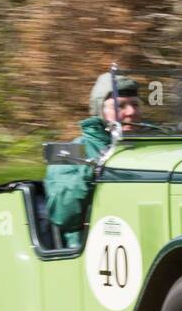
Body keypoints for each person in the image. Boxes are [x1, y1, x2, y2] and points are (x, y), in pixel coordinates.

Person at [44, 72, 139, 248]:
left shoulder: (144, 149)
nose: (131, 112)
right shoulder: (67, 151)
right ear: (100, 110)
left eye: (135, 104)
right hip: (89, 247)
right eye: (121, 106)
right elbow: (62, 216)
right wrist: (91, 168)